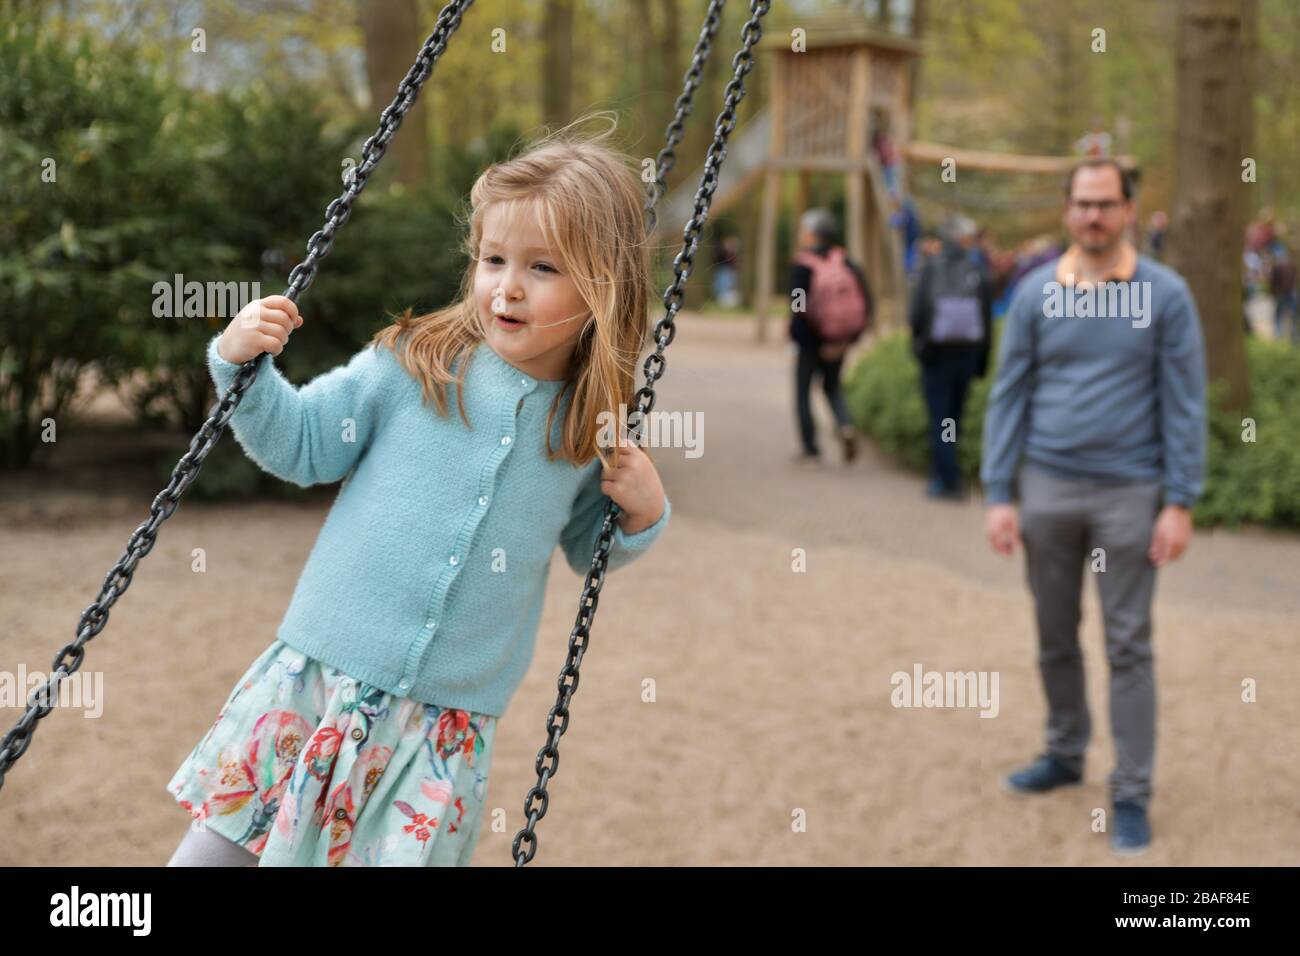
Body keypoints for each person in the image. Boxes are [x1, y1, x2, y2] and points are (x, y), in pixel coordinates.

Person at [165, 127, 672, 867]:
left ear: (604, 286)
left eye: (544, 267)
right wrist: (241, 365)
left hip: (443, 727)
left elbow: (587, 546)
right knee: (214, 858)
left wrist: (645, 512)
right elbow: (303, 445)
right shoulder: (415, 365)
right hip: (321, 681)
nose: (508, 286)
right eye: (493, 259)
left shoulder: (588, 421)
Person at [980, 157, 1207, 856]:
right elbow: (1008, 394)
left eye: (1106, 204)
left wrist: (1180, 500)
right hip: (1047, 488)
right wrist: (998, 492)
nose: (1093, 216)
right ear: (1066, 209)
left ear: (1129, 210)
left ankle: (1132, 792)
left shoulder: (1166, 296)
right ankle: (1064, 752)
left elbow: (1185, 403)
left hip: (1130, 492)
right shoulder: (1034, 293)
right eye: (1082, 203)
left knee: (1128, 643)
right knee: (1054, 634)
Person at [908, 214, 992, 499]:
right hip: (966, 354)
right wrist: (983, 360)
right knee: (953, 419)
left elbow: (917, 312)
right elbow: (986, 318)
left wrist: (919, 347)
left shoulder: (931, 268)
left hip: (936, 353)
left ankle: (947, 479)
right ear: (965, 240)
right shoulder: (976, 270)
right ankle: (945, 472)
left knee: (940, 417)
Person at [788, 208, 873, 466]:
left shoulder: (804, 265)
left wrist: (808, 340)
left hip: (811, 341)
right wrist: (847, 340)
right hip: (840, 339)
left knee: (803, 391)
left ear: (812, 234)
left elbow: (798, 307)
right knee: (832, 386)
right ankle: (845, 425)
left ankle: (811, 448)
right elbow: (866, 302)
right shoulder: (846, 262)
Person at [713, 233, 742, 308]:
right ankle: (721, 301)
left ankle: (726, 301)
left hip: (729, 270)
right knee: (721, 285)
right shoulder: (723, 251)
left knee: (728, 285)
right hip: (723, 269)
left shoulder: (732, 253)